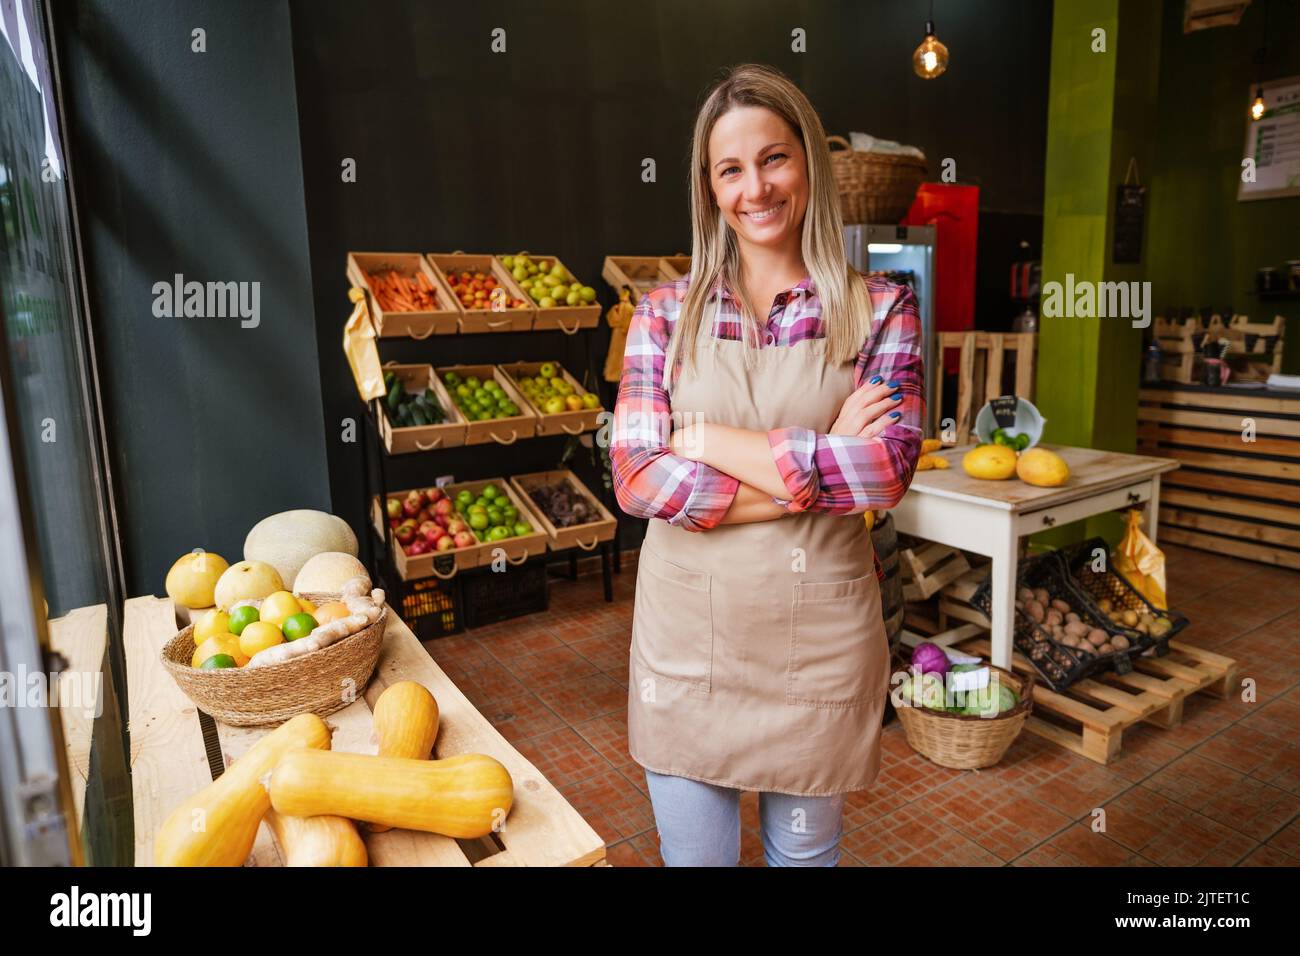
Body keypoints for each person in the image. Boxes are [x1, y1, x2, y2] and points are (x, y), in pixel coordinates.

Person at [608, 63, 925, 867]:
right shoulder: (661, 315)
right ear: (709, 186)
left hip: (816, 648)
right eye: (731, 168)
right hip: (686, 650)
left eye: (775, 158)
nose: (756, 187)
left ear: (810, 164)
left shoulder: (883, 307)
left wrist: (705, 439)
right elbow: (637, 478)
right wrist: (817, 472)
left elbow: (887, 470)